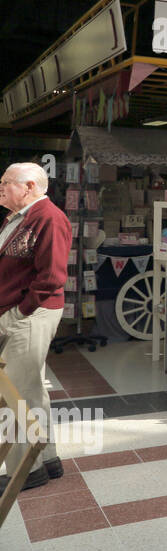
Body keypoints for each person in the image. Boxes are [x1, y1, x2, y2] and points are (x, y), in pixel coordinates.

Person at [0, 163, 72, 495]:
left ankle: (24, 470)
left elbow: (52, 277)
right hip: (23, 312)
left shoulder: (49, 218)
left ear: (29, 186)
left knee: (15, 393)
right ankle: (47, 458)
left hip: (30, 315)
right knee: (31, 390)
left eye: (5, 183)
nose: (0, 188)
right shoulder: (19, 217)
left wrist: (18, 313)